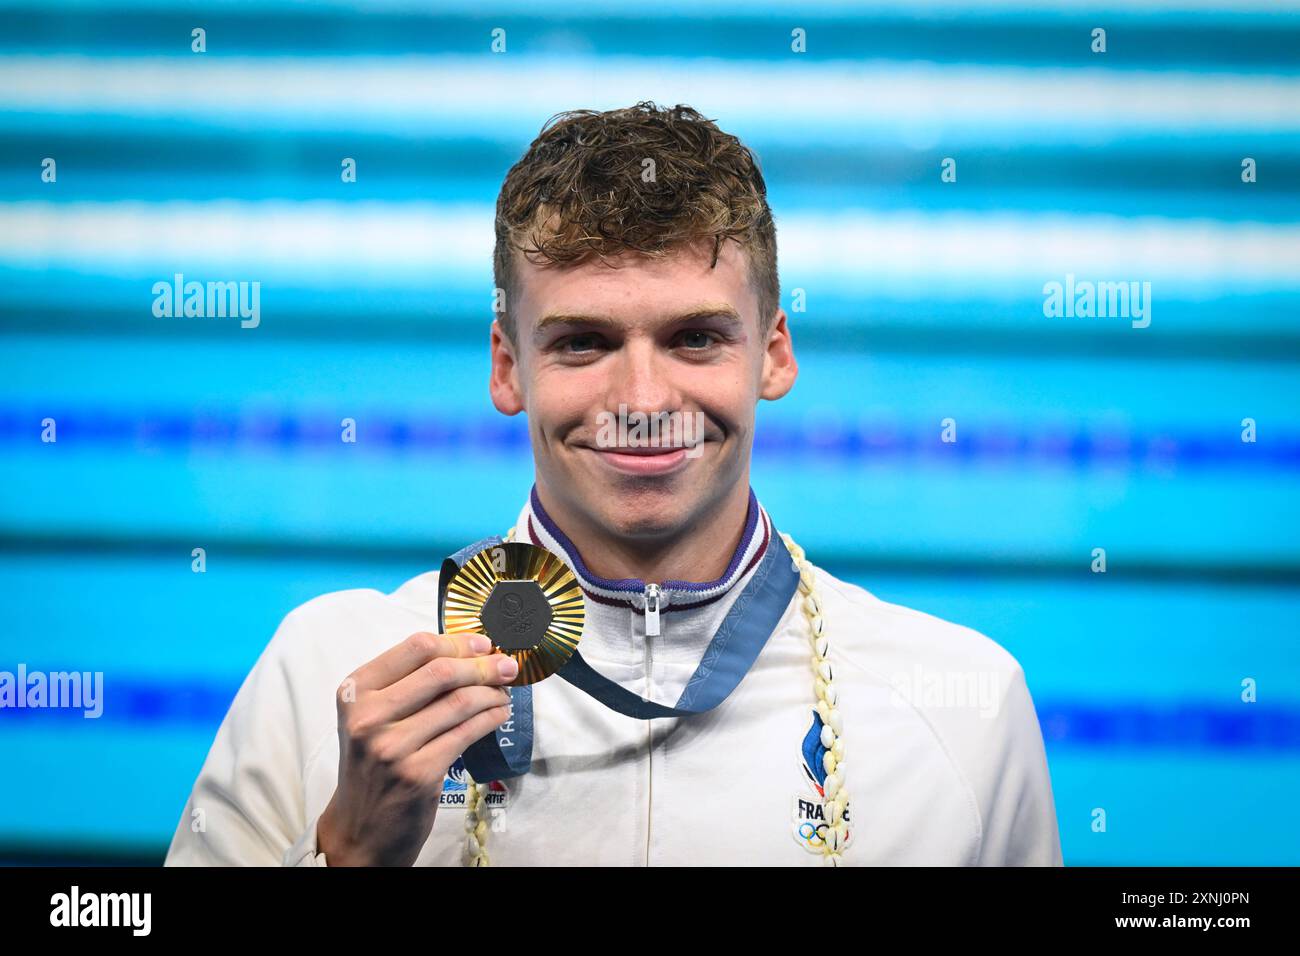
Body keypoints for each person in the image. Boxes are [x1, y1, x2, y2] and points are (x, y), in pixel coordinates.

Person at [164, 102, 1062, 867]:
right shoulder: (332, 676)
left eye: (696, 338)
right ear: (509, 368)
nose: (641, 401)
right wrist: (345, 856)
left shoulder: (963, 705)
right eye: (583, 342)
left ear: (775, 355)